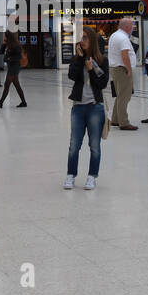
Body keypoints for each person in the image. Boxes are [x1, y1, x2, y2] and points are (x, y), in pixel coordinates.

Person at [64, 25, 109, 191]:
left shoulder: (102, 61)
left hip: (94, 107)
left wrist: (91, 70)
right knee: (74, 144)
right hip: (78, 107)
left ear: (91, 40)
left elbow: (102, 83)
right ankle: (70, 175)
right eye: (80, 38)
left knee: (94, 145)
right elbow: (72, 76)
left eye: (84, 38)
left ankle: (92, 176)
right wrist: (81, 59)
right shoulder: (77, 58)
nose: (81, 41)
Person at [106, 17, 138, 131]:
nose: (133, 28)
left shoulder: (115, 35)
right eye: (132, 26)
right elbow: (124, 55)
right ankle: (124, 122)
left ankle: (115, 119)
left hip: (115, 68)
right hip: (122, 69)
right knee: (125, 96)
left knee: (120, 95)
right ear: (127, 27)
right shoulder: (123, 38)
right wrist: (129, 70)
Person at [0, 31, 27, 108]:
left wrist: (9, 58)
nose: (4, 37)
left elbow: (19, 57)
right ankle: (24, 102)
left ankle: (0, 102)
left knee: (7, 84)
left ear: (8, 37)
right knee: (17, 85)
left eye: (5, 36)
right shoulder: (8, 45)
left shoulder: (16, 45)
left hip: (14, 67)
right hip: (11, 66)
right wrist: (4, 44)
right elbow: (1, 52)